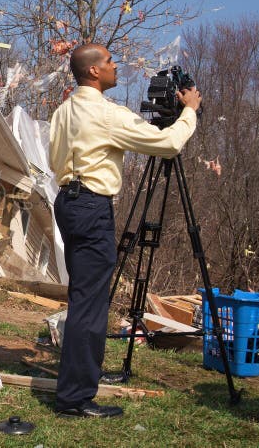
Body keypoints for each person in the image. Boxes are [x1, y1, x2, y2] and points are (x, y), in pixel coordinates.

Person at [48, 44, 202, 418]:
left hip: (68, 200)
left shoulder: (64, 110)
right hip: (91, 205)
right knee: (90, 304)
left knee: (83, 296)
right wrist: (189, 112)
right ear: (95, 72)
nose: (116, 66)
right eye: (111, 62)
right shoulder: (105, 113)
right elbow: (167, 145)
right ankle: (75, 398)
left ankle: (77, 385)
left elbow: (55, 158)